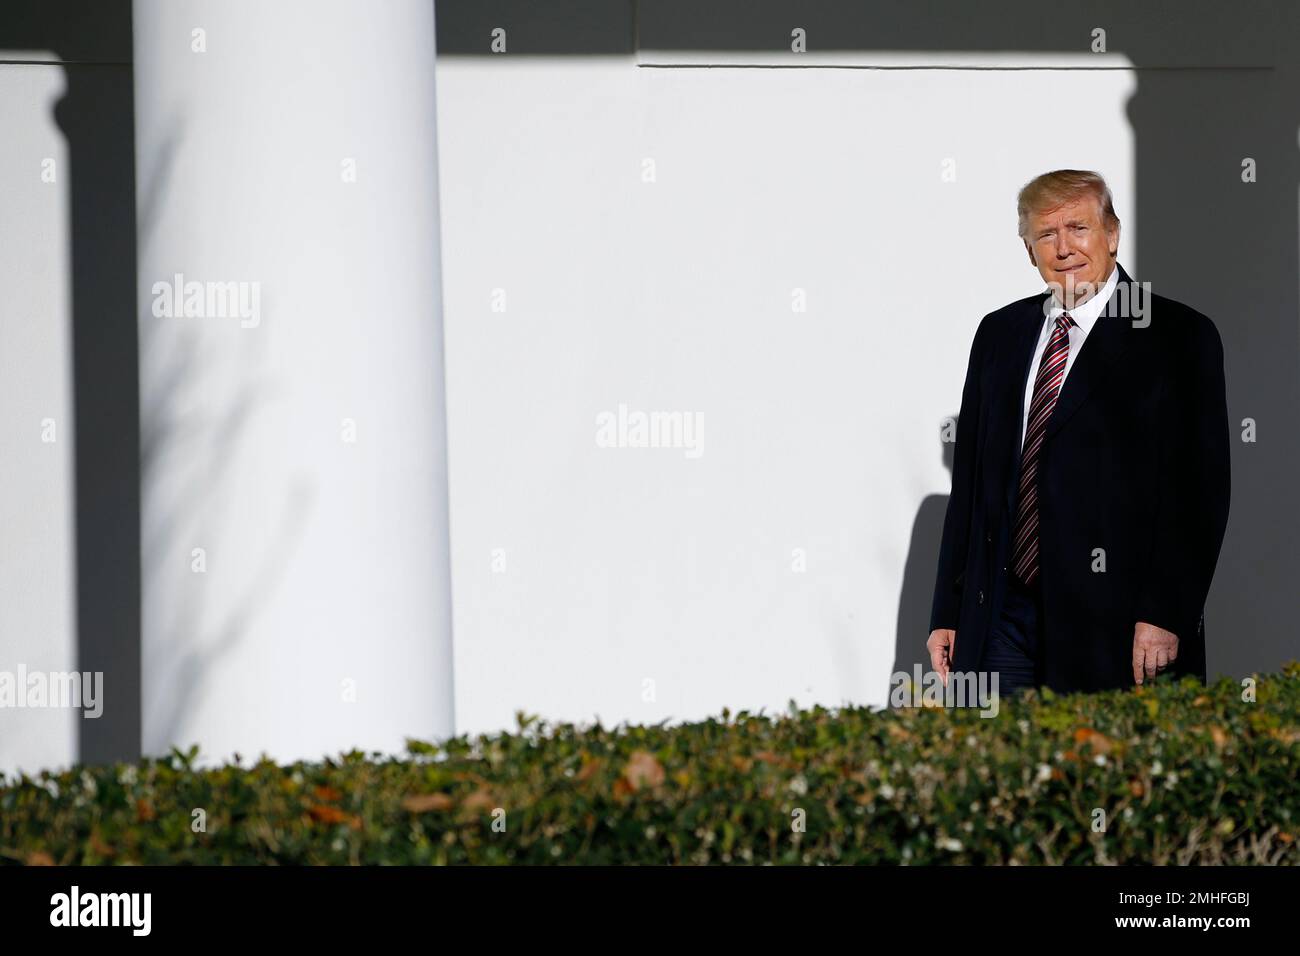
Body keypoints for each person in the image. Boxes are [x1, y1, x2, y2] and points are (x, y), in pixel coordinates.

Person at [927, 169, 1230, 695]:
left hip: (1117, 625)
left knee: (1109, 775)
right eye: (1046, 235)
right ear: (1029, 251)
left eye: (1078, 228)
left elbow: (1198, 494)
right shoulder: (1000, 334)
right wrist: (948, 612)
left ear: (1111, 235)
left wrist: (1165, 613)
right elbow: (971, 489)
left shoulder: (1176, 337)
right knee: (1005, 772)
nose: (1063, 248)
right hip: (1001, 620)